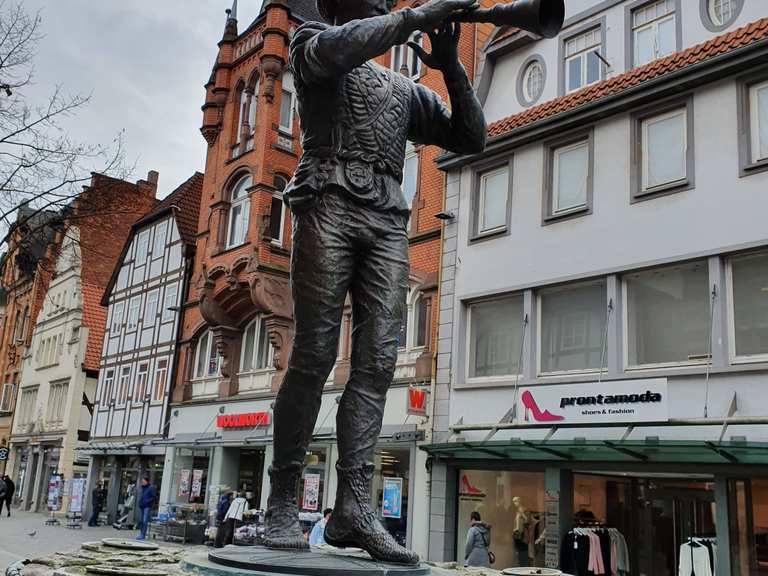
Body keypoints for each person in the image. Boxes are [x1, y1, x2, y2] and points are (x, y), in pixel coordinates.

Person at [264, 0, 486, 565]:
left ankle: (354, 507)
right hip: (328, 201)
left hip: (387, 218)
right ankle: (284, 496)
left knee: (379, 361)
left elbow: (471, 135)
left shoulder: (403, 89)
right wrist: (414, 20)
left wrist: (449, 65)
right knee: (313, 352)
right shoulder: (311, 41)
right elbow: (344, 49)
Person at [136, 475, 156, 541]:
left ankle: (143, 535)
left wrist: (147, 501)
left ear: (147, 481)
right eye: (142, 481)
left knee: (145, 521)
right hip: (142, 505)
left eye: (143, 481)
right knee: (140, 520)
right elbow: (141, 496)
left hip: (147, 506)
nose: (142, 482)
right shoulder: (142, 488)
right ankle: (141, 533)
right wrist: (140, 502)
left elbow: (154, 497)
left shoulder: (151, 488)